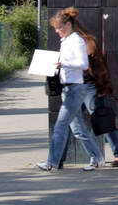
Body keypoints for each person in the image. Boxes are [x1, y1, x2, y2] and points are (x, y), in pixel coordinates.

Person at [36, 10, 104, 172]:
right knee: (78, 128)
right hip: (69, 89)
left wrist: (63, 63)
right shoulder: (67, 40)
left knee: (60, 126)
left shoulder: (76, 40)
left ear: (68, 25)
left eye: (59, 27)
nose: (57, 31)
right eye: (55, 28)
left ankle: (51, 162)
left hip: (75, 88)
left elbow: (82, 63)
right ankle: (97, 158)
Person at [64, 9, 118, 167]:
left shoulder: (86, 43)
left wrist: (102, 88)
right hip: (78, 86)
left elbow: (99, 68)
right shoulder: (70, 41)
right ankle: (58, 157)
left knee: (101, 119)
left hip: (89, 86)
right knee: (68, 120)